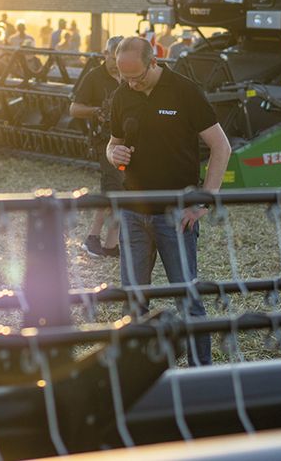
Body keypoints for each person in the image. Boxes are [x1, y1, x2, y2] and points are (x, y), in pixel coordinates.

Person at [106, 36, 232, 366]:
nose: (130, 83)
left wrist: (204, 201)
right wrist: (113, 153)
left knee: (187, 299)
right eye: (124, 76)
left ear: (154, 62)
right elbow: (113, 144)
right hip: (133, 212)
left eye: (137, 76)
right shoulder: (123, 94)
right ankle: (134, 372)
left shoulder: (185, 91)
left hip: (176, 215)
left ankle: (201, 372)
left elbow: (222, 148)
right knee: (134, 301)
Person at [70, 36, 124, 258]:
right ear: (105, 54)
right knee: (112, 187)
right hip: (104, 140)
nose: (116, 63)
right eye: (112, 58)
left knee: (123, 189)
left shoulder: (130, 75)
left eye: (119, 58)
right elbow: (74, 109)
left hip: (128, 140)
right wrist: (96, 111)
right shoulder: (95, 77)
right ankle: (92, 238)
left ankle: (111, 245)